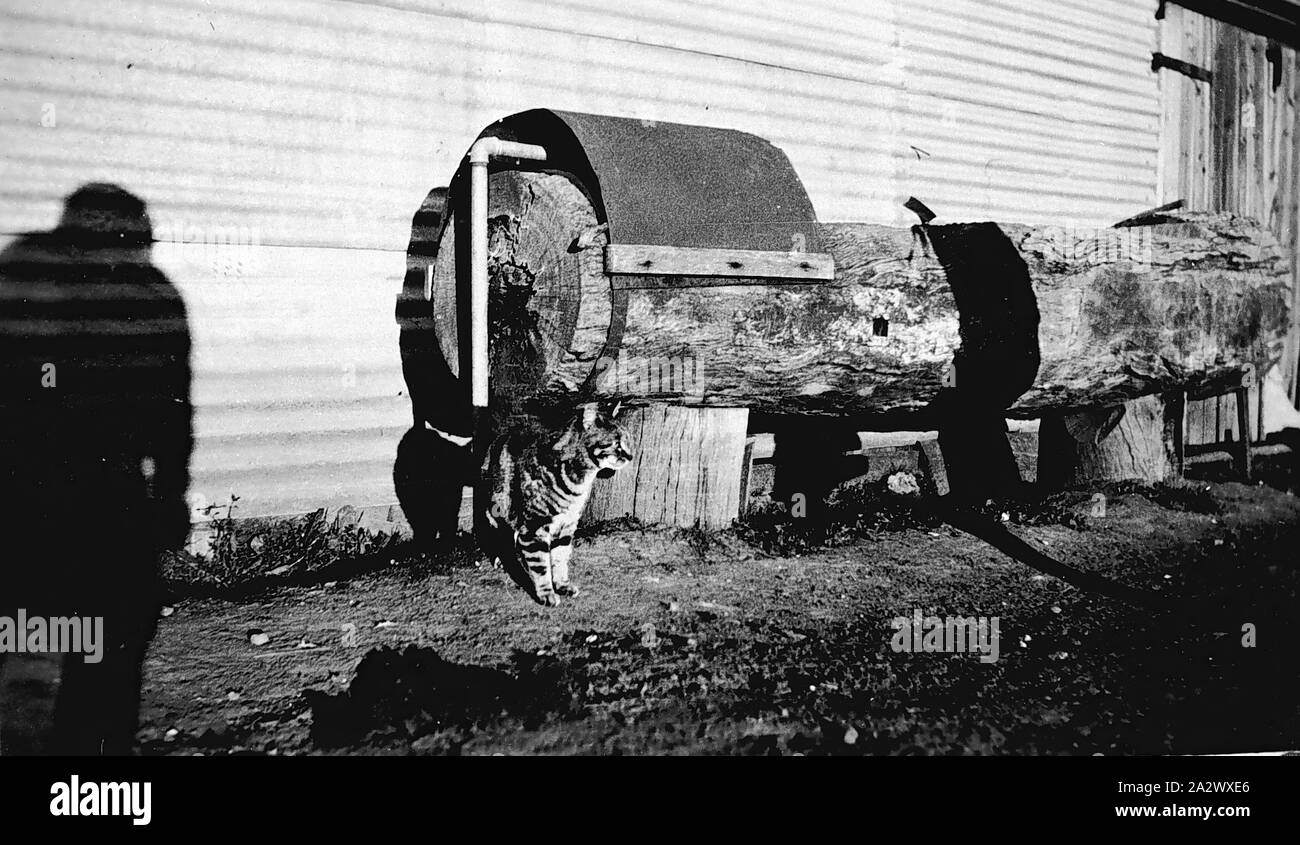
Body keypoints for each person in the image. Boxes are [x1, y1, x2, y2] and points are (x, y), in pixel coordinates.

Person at [0, 184, 192, 754]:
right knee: (109, 649)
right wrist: (169, 500)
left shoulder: (19, 271)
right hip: (105, 502)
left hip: (27, 495)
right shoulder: (153, 293)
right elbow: (172, 417)